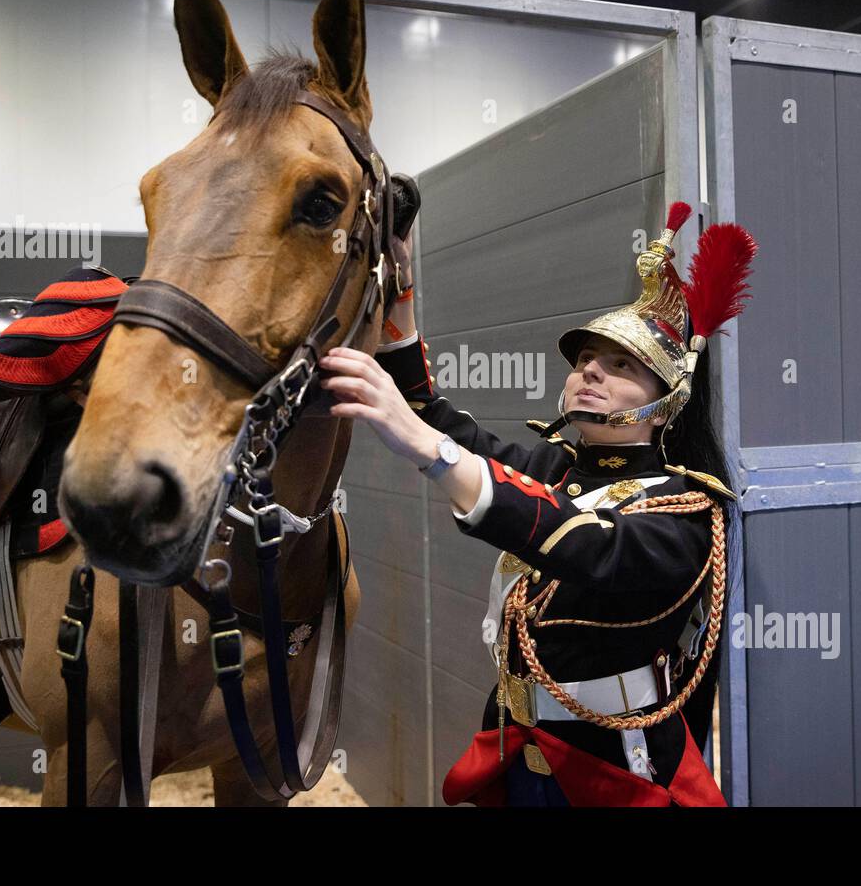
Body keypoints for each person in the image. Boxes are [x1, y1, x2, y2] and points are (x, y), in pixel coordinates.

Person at [320, 201, 756, 806]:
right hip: (515, 733)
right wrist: (401, 284)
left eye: (619, 364)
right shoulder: (557, 468)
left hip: (615, 764)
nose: (590, 373)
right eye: (583, 361)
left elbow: (586, 545)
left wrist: (431, 452)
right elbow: (432, 416)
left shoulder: (686, 507)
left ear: (667, 402)